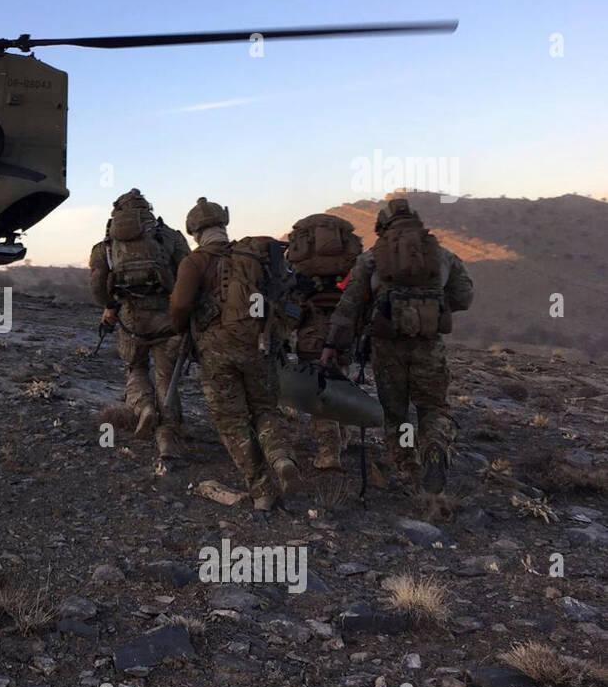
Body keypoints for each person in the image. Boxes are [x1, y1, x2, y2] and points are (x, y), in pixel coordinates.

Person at [320, 197, 473, 493]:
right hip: (429, 345)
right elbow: (464, 297)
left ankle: (408, 468)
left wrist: (332, 345)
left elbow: (348, 306)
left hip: (387, 346)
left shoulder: (371, 258)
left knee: (396, 412)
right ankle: (435, 446)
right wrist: (429, 310)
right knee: (432, 407)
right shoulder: (441, 255)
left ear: (382, 225)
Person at [169, 197, 301, 510]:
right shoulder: (253, 255)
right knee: (265, 409)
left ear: (194, 231)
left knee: (232, 420)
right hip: (260, 346)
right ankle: (281, 457)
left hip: (216, 352)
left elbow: (179, 306)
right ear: (223, 225)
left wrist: (180, 329)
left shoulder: (194, 261)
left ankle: (261, 489)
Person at [89, 189, 190, 473]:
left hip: (131, 321)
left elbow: (98, 286)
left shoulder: (106, 244)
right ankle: (168, 436)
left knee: (135, 370)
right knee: (165, 377)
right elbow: (189, 275)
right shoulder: (170, 236)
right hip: (168, 319)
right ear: (148, 209)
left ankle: (144, 407)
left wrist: (109, 306)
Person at [284, 213, 364, 469]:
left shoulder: (302, 277)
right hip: (345, 335)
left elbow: (291, 312)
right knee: (341, 382)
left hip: (312, 338)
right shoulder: (346, 273)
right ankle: (343, 438)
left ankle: (329, 451)